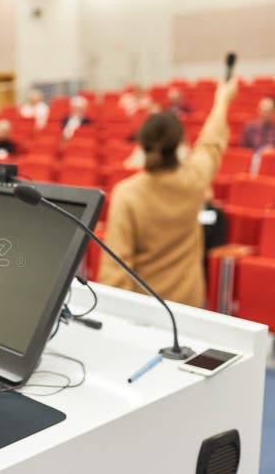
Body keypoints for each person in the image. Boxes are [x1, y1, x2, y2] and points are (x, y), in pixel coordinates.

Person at [99, 77, 238, 307]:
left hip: (144, 313)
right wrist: (222, 99)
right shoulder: (194, 179)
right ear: (179, 144)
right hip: (189, 308)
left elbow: (115, 271)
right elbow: (211, 142)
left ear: (141, 145)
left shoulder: (127, 194)